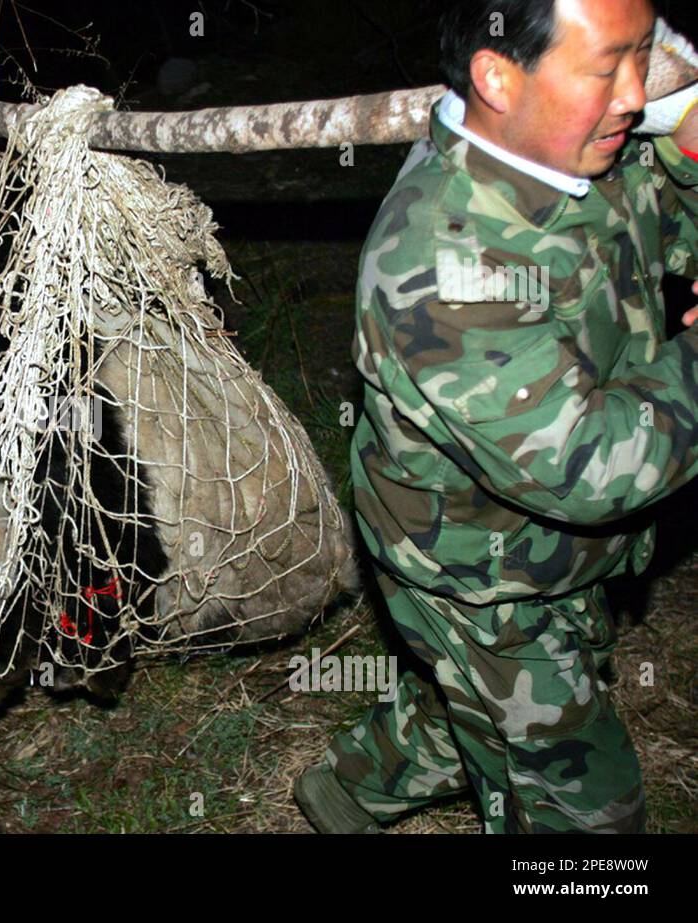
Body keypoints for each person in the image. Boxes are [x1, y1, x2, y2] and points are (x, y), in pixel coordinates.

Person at [295, 0, 698, 833]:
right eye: (606, 67)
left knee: (477, 701)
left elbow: (672, 228)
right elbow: (591, 468)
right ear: (495, 77)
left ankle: (346, 790)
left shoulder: (583, 144)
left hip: (544, 553)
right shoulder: (443, 271)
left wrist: (689, 141)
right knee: (586, 809)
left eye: (646, 54)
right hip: (480, 570)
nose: (634, 92)